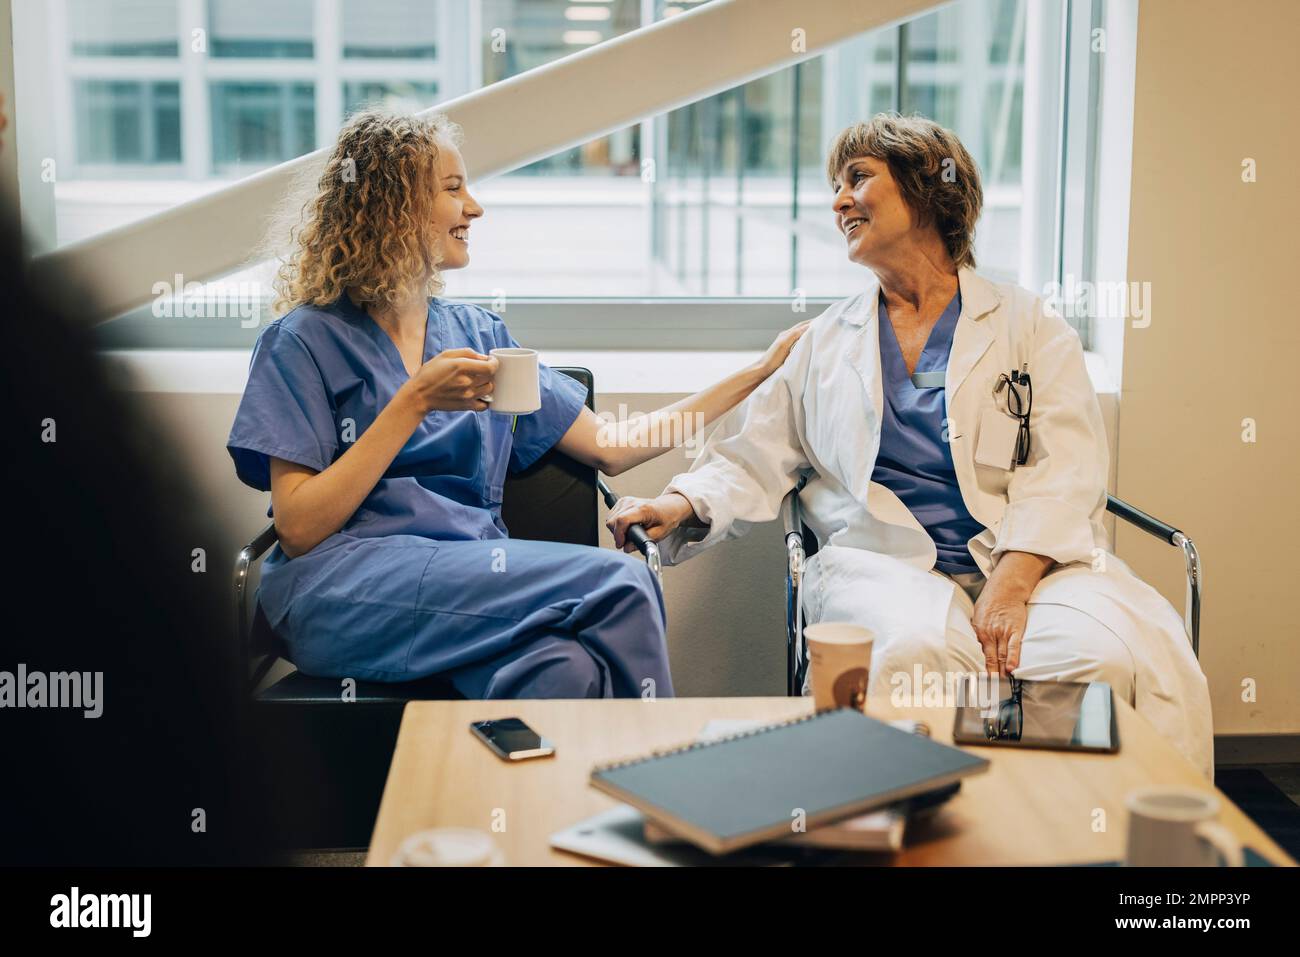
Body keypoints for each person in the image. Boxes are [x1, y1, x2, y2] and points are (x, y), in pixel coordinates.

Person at [608, 113, 1212, 776]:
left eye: (857, 179)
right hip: (885, 565)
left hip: (1032, 565)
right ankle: (915, 832)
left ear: (926, 188)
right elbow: (754, 453)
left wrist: (1010, 585)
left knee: (1102, 660)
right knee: (909, 658)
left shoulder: (1028, 324)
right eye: (836, 186)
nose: (838, 201)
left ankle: (1076, 833)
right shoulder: (824, 341)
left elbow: (1066, 467)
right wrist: (678, 502)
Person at [228, 110, 807, 700]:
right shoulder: (301, 341)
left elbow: (611, 446)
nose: (475, 208)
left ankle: (511, 794)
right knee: (625, 583)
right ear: (392, 209)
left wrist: (758, 373)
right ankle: (655, 779)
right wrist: (414, 402)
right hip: (344, 590)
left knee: (565, 671)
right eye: (453, 190)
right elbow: (298, 529)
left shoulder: (479, 337)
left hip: (473, 585)